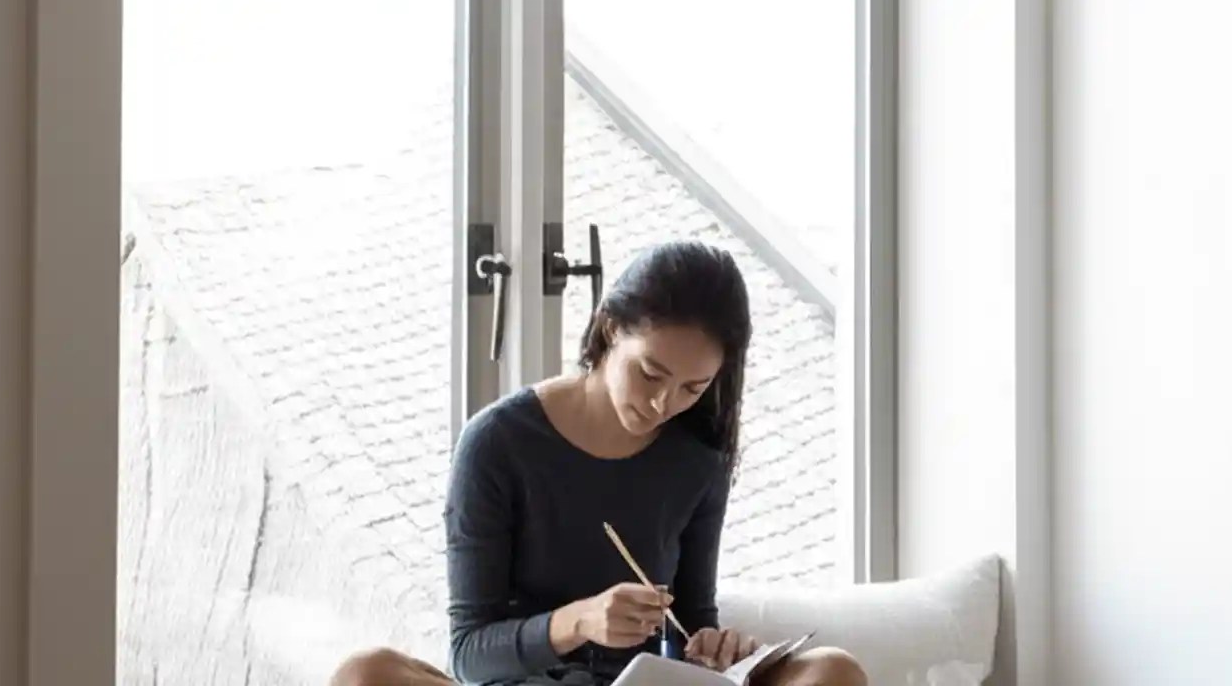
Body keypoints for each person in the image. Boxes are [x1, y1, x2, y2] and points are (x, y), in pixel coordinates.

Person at [331, 242, 867, 686]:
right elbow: (470, 655)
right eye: (650, 374)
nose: (664, 403)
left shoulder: (698, 457)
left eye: (693, 388)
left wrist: (711, 650)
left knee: (832, 673)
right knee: (366, 674)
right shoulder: (498, 443)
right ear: (611, 328)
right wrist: (580, 621)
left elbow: (691, 617)